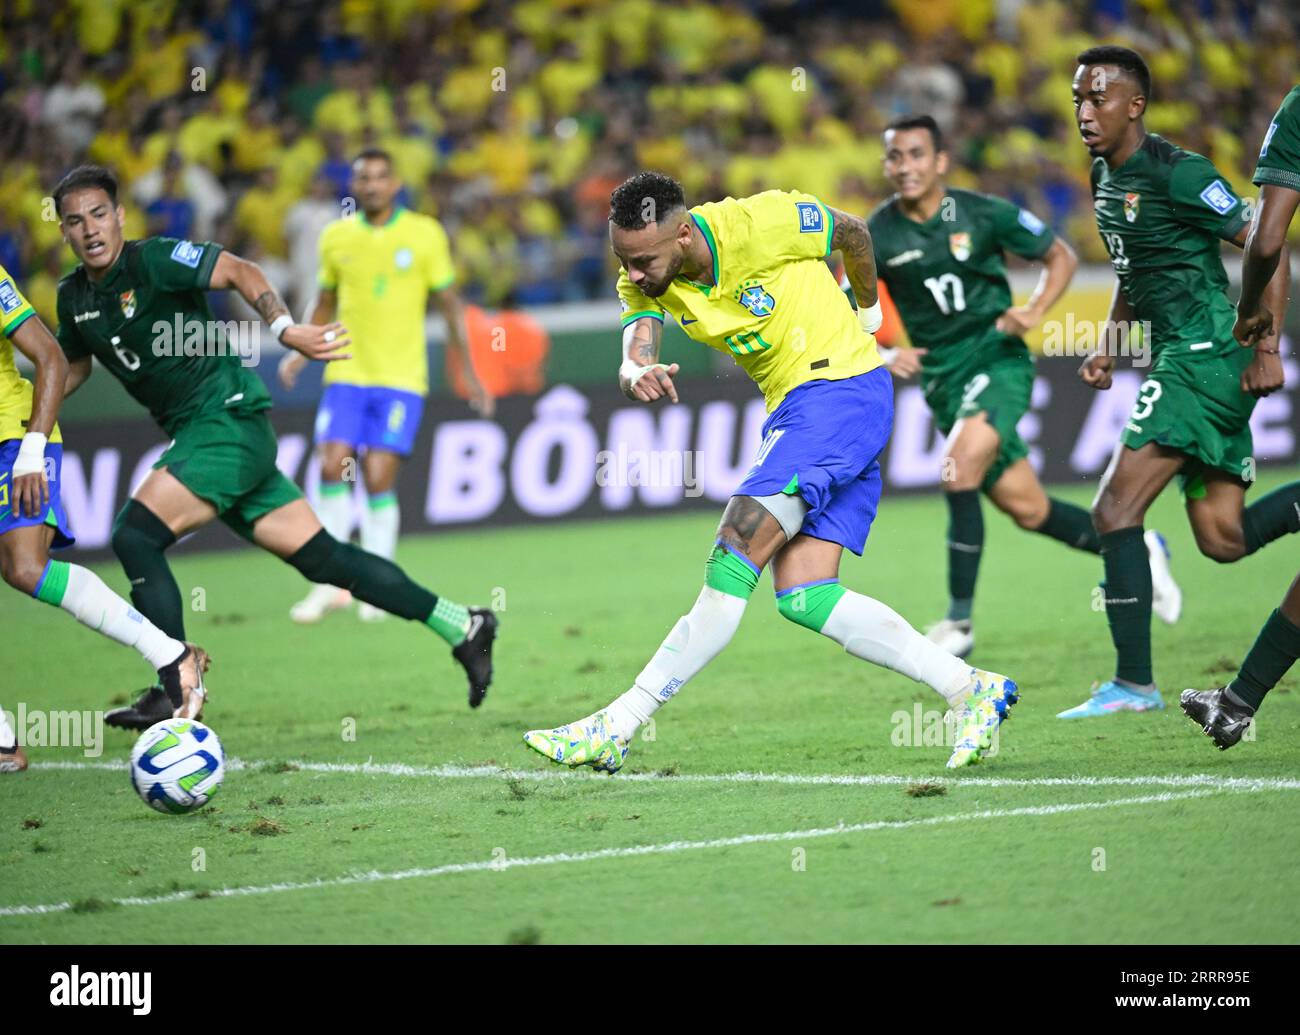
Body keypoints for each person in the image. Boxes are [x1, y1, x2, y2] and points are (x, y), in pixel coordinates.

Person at [524, 172, 1019, 774]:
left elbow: (855, 234)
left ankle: (618, 723)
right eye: (623, 260)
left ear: (683, 235)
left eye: (643, 260)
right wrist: (634, 374)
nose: (633, 274)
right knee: (805, 594)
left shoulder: (763, 222)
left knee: (735, 550)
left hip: (835, 392)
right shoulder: (645, 278)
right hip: (806, 406)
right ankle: (970, 688)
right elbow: (638, 345)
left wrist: (865, 312)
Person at [50, 164, 497, 732]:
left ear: (118, 216)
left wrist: (283, 328)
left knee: (135, 536)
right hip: (209, 437)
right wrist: (23, 420)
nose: (89, 229)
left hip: (226, 419)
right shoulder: (73, 298)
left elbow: (239, 269)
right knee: (326, 561)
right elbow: (68, 370)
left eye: (98, 214)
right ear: (62, 231)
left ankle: (173, 678)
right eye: (73, 221)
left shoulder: (154, 261)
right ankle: (465, 626)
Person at [868, 114, 1179, 659]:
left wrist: (1034, 310)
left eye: (917, 154)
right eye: (895, 156)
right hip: (943, 382)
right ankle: (1141, 546)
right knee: (1029, 510)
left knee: (956, 467)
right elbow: (851, 305)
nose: (905, 166)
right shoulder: (876, 233)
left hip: (998, 362)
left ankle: (958, 623)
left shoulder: (981, 213)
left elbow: (1058, 254)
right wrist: (885, 351)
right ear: (885, 165)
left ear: (940, 161)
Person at [1066, 47, 1297, 719]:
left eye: (1098, 99)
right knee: (1223, 538)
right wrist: (1109, 347)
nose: (1085, 112)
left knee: (1114, 511)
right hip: (1184, 358)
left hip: (1201, 358)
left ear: (1135, 105)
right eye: (1077, 99)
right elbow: (1132, 267)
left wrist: (1268, 344)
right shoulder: (1103, 176)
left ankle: (1134, 683)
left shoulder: (1179, 173)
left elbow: (1266, 244)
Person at [0, 264, 203, 772]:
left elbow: (50, 356)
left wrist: (31, 451)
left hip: (12, 436)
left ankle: (170, 654)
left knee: (26, 568)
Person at [279, 148, 492, 623]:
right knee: (333, 465)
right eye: (363, 178)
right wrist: (300, 351)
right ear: (354, 186)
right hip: (347, 373)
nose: (372, 185)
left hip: (400, 379)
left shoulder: (424, 234)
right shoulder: (336, 237)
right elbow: (325, 300)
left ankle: (377, 584)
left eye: (380, 177)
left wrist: (469, 372)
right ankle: (329, 583)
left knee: (377, 477)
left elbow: (450, 305)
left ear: (395, 184)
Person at [1182, 83, 1300, 748]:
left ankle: (1235, 700)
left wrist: (1253, 313)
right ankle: (1238, 700)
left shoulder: (1296, 110)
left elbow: (1265, 240)